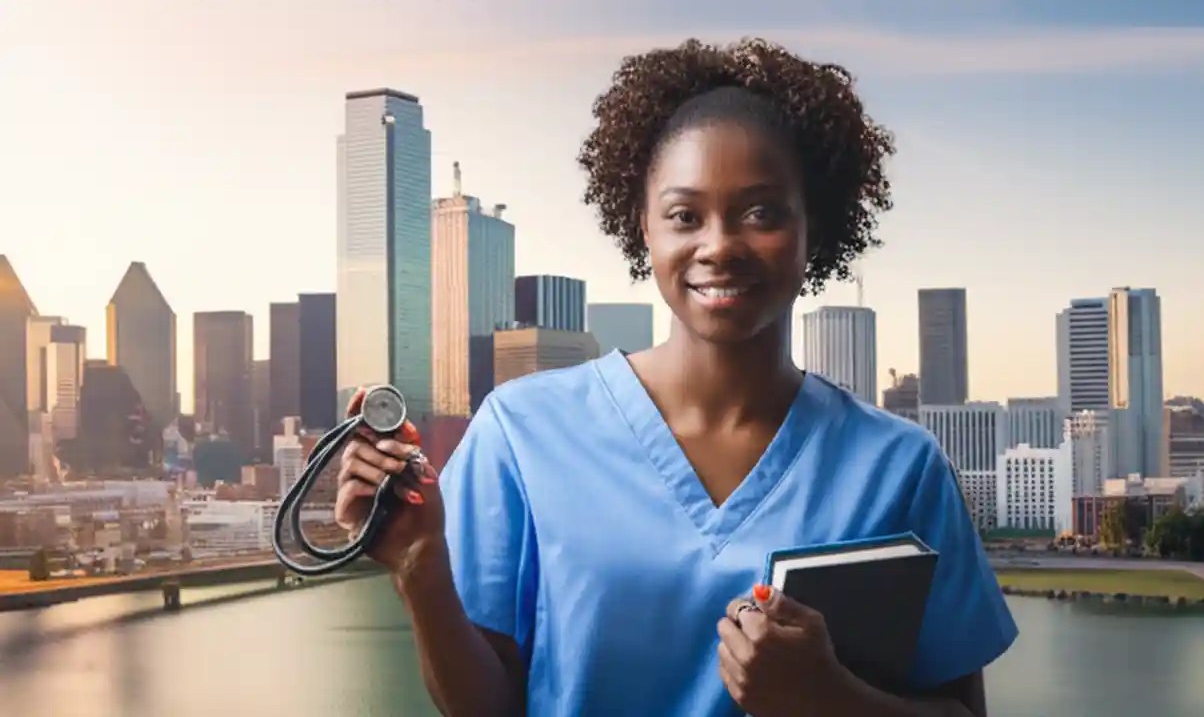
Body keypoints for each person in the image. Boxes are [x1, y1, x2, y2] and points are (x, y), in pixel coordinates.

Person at [334, 37, 1017, 716]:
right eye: (685, 216)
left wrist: (829, 699)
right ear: (644, 230)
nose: (718, 245)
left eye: (761, 212)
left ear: (816, 225)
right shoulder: (521, 432)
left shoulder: (900, 466)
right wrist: (420, 569)